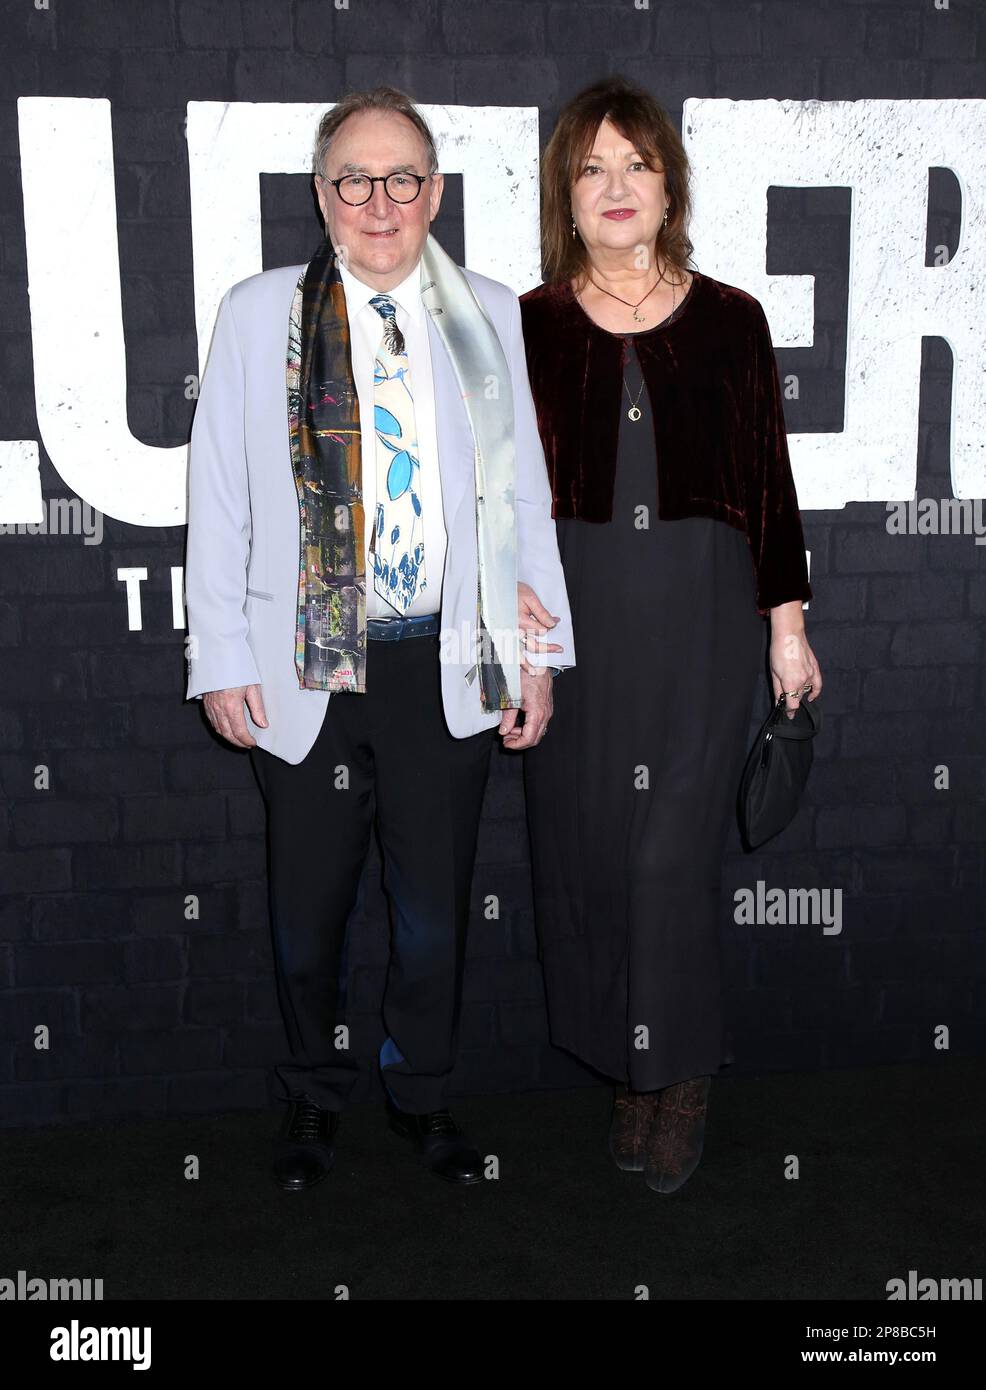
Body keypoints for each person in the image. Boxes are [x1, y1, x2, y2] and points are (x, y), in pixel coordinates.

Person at [184, 86, 574, 1192]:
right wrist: (221, 655)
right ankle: (312, 1098)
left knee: (432, 911)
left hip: (442, 659)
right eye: (352, 178)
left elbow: (522, 498)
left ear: (434, 192)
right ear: (321, 194)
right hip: (305, 658)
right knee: (305, 916)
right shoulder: (260, 313)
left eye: (401, 177)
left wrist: (532, 654)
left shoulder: (487, 311)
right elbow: (218, 496)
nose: (378, 201)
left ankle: (423, 1096)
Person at [519, 77, 823, 1194]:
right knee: (595, 858)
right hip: (577, 623)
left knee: (668, 860)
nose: (614, 186)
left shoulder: (733, 320)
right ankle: (627, 1071)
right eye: (591, 167)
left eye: (634, 165)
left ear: (667, 185)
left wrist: (785, 631)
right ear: (565, 189)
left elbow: (768, 488)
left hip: (699, 618)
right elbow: (499, 500)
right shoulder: (530, 325)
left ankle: (680, 1077)